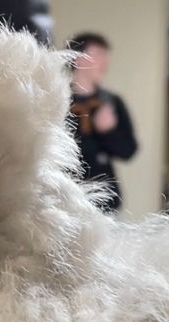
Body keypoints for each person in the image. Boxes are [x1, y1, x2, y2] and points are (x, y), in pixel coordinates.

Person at [67, 32, 138, 213]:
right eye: (98, 54)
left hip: (105, 202)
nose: (105, 62)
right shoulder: (57, 100)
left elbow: (128, 150)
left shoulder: (112, 102)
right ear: (78, 59)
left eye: (106, 56)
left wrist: (108, 131)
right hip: (65, 200)